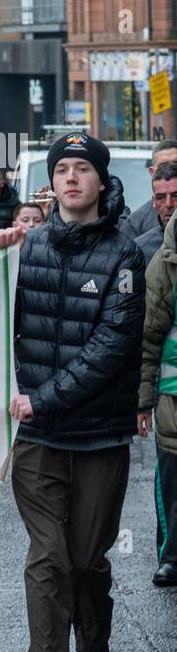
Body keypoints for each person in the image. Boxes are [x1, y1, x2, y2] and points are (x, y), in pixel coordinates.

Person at [0, 132, 144, 652]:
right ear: (50, 185)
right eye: (62, 171)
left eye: (83, 169)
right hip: (38, 441)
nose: (72, 179)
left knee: (86, 561)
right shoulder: (27, 247)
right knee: (47, 557)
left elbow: (110, 348)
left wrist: (41, 399)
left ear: (101, 182)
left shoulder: (126, 256)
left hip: (98, 437)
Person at [139, 202, 177, 589]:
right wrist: (142, 401)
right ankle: (172, 556)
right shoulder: (166, 263)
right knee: (173, 481)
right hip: (174, 401)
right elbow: (149, 336)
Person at [121, 139, 177, 242]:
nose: (171, 171)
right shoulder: (135, 223)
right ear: (152, 172)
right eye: (163, 167)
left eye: (176, 165)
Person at [133, 161, 177, 266]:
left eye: (175, 195)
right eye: (160, 197)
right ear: (154, 202)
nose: (168, 204)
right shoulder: (139, 249)